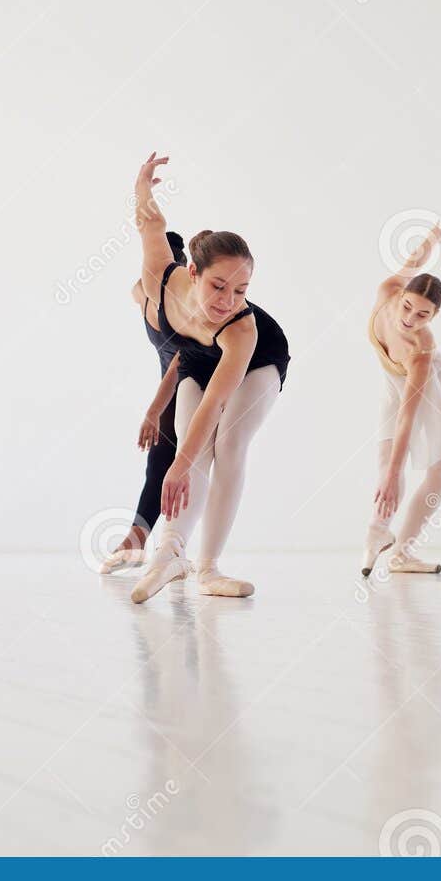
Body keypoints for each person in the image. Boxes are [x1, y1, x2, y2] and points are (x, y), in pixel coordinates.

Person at [127, 154, 291, 604]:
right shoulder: (161, 276)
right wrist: (142, 185)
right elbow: (150, 222)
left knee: (229, 443)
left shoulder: (242, 327)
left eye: (241, 291)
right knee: (188, 444)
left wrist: (179, 467)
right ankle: (170, 554)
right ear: (193, 272)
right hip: (198, 357)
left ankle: (210, 568)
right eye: (219, 286)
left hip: (259, 359)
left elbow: (218, 402)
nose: (228, 299)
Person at [363, 223, 441, 577]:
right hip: (393, 379)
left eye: (423, 315)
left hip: (429, 385)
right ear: (400, 295)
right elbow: (412, 260)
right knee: (385, 458)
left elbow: (409, 414)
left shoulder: (422, 349)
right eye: (407, 307)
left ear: (434, 317)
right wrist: (432, 239)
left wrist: (396, 470)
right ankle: (377, 533)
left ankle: (402, 550)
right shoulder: (387, 290)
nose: (410, 319)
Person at [100, 231, 187, 575]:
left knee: (184, 464)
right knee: (161, 462)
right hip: (174, 384)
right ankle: (143, 540)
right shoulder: (146, 293)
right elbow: (136, 290)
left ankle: (161, 544)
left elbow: (184, 357)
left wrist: (152, 410)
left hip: (198, 381)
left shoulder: (179, 299)